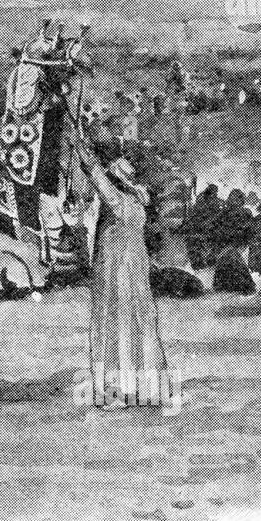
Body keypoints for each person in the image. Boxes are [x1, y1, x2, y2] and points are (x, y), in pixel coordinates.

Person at [69, 126, 169, 409]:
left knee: (116, 324)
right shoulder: (137, 205)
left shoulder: (119, 202)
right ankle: (145, 386)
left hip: (117, 270)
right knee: (137, 322)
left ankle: (118, 390)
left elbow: (98, 180)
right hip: (133, 269)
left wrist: (81, 149)